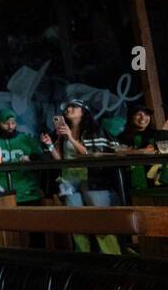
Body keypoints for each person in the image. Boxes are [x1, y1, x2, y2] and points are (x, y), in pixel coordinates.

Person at [43, 100, 120, 254]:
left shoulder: (95, 131)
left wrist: (71, 138)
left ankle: (113, 258)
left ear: (83, 111)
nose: (68, 109)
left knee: (101, 223)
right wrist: (50, 144)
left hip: (93, 180)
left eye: (73, 107)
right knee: (77, 224)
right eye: (66, 107)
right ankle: (84, 258)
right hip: (69, 180)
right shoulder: (63, 132)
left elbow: (91, 155)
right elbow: (59, 160)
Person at [0, 108, 46, 204]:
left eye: (13, 123)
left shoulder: (26, 139)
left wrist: (31, 157)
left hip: (28, 193)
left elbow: (42, 157)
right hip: (1, 193)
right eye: (6, 123)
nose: (10, 126)